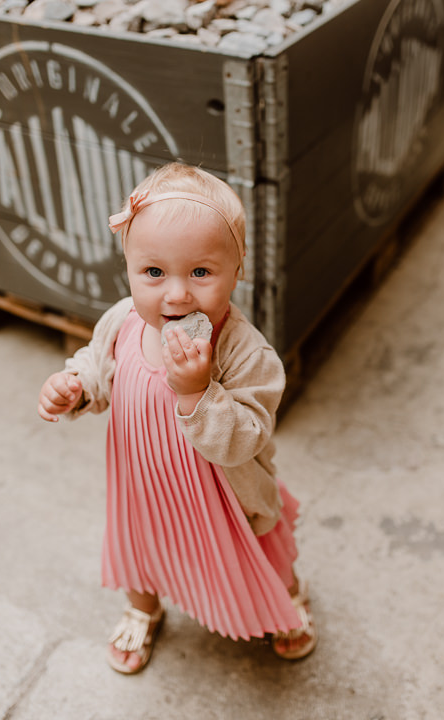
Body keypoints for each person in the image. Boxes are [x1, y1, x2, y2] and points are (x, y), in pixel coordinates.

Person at [37, 162, 317, 674]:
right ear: (128, 268)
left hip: (222, 495)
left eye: (202, 272)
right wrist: (75, 389)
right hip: (143, 484)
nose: (177, 294)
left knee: (258, 549)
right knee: (140, 544)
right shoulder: (123, 322)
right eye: (154, 272)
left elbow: (248, 436)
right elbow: (100, 370)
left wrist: (196, 392)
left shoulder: (242, 351)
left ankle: (285, 599)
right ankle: (142, 608)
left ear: (238, 269)